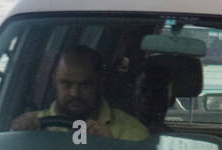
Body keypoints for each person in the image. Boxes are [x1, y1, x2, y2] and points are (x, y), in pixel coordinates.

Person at [10, 46, 148, 140]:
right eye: (66, 83)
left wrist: (111, 147)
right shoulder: (30, 127)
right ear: (54, 81)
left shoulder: (131, 131)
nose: (75, 93)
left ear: (100, 82)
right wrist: (16, 136)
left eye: (85, 84)